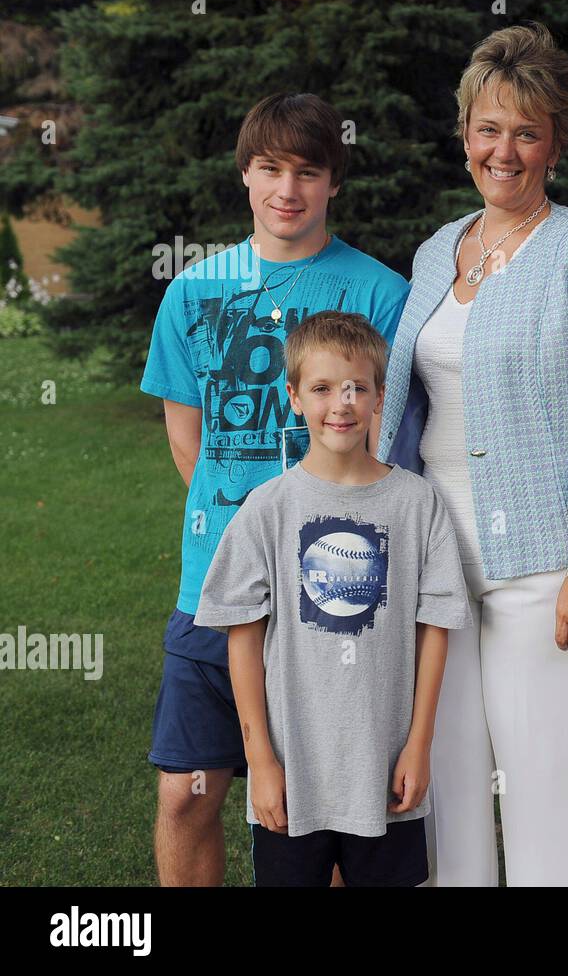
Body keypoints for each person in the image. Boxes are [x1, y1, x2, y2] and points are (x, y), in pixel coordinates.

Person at [375, 23, 568, 887]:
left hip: (554, 563)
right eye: (489, 128)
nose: (506, 150)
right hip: (437, 562)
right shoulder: (436, 252)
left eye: (527, 132)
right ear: (465, 136)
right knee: (449, 782)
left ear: (557, 145)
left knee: (545, 782)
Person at [140, 93, 410, 886]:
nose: (287, 189)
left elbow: (387, 441)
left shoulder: (377, 293)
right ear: (246, 175)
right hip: (213, 583)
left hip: (330, 586)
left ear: (332, 182)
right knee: (186, 794)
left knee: (316, 814)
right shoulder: (193, 291)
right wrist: (250, 535)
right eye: (270, 169)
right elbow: (187, 438)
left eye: (307, 171)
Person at [194, 312, 469, 886]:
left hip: (386, 774)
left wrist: (419, 747)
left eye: (356, 388)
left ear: (379, 398)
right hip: (294, 777)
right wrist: (261, 761)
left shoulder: (417, 504)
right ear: (293, 397)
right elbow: (242, 638)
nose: (340, 404)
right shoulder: (267, 509)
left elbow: (435, 627)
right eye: (321, 389)